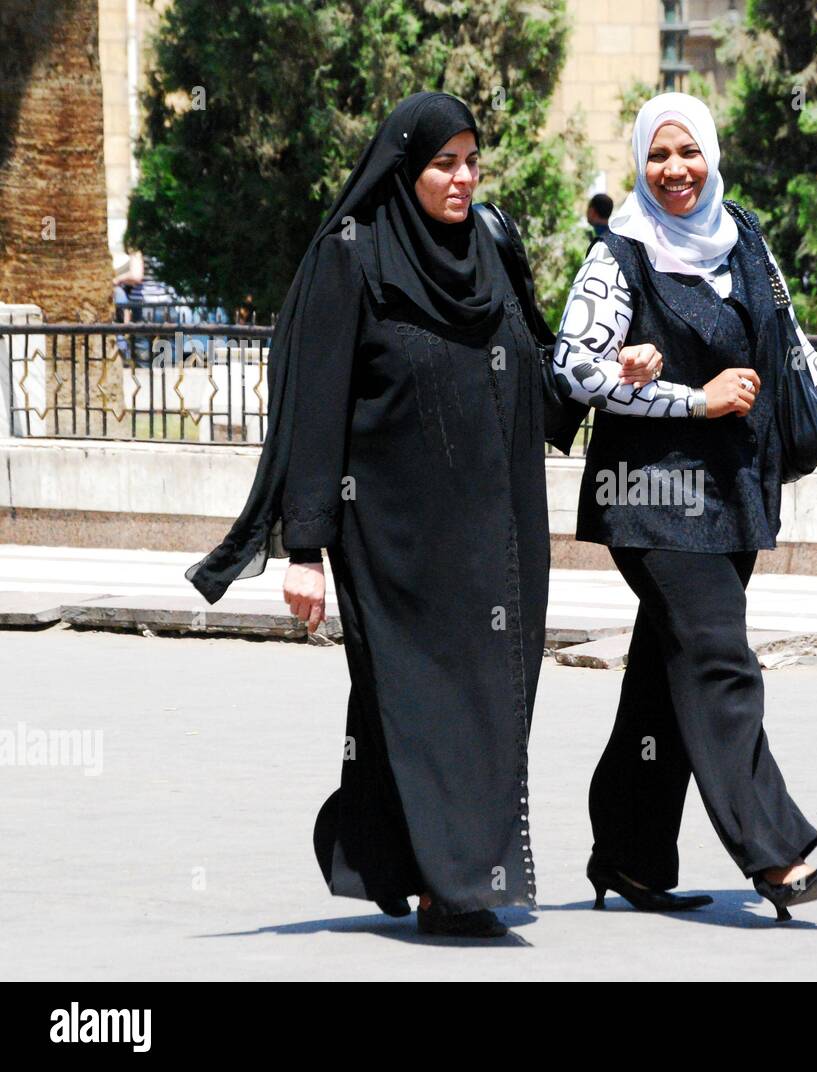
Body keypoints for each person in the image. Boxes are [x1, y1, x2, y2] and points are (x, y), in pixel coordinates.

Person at [184, 91, 651, 938]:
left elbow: (539, 370)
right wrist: (305, 547)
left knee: (481, 699)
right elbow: (318, 408)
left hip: (501, 531)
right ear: (404, 168)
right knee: (431, 699)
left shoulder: (494, 242)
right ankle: (458, 886)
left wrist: (609, 374)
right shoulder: (350, 258)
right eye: (444, 163)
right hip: (395, 534)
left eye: (473, 160)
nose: (463, 178)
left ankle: (377, 845)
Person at [552, 92, 817, 922]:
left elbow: (793, 347)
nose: (675, 171)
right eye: (659, 156)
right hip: (650, 494)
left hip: (731, 491)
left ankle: (629, 857)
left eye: (689, 153)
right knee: (718, 656)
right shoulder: (619, 253)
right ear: (640, 161)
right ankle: (775, 850)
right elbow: (571, 367)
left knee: (666, 676)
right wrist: (686, 398)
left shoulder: (743, 235)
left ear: (711, 155)